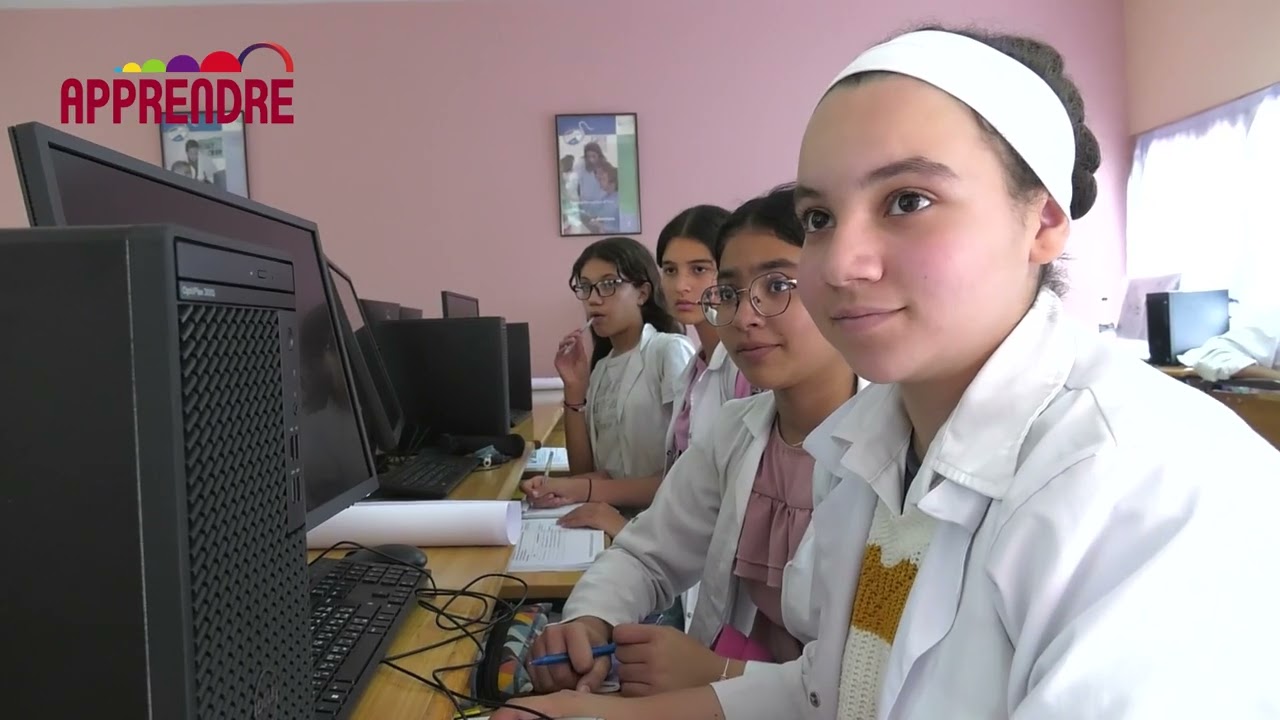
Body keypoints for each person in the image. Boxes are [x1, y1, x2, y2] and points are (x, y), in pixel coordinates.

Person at [494, 22, 1280, 720]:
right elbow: (838, 693)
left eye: (908, 200)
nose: (838, 263)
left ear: (1041, 221)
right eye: (819, 218)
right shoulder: (874, 455)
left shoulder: (1155, 490)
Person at [513, 185, 855, 715]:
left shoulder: (896, 454)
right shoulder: (738, 429)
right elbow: (647, 554)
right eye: (732, 292)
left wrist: (720, 674)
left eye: (779, 284)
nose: (746, 316)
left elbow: (874, 683)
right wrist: (587, 621)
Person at [539, 205, 751, 537]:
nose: (681, 285)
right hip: (653, 532)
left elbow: (697, 488)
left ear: (642, 291)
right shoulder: (691, 368)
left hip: (665, 535)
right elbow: (595, 472)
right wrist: (575, 390)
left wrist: (593, 497)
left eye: (698, 269)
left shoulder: (678, 353)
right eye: (669, 270)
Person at [523, 236, 695, 531]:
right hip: (607, 521)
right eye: (585, 286)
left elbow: (688, 477)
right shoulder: (601, 368)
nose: (592, 298)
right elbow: (586, 472)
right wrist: (574, 391)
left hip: (662, 528)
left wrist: (584, 490)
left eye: (608, 284)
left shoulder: (668, 351)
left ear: (642, 293)